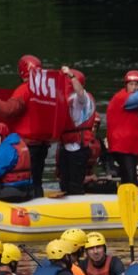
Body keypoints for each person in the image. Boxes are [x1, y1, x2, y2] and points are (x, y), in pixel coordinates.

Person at [0, 55, 52, 199]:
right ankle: (39, 199)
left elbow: (8, 111)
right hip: (42, 144)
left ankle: (26, 203)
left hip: (28, 146)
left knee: (27, 180)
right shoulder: (46, 90)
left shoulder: (24, 89)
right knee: (37, 181)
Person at [55, 68, 97, 196]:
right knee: (64, 183)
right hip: (66, 145)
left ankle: (77, 198)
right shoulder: (65, 97)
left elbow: (80, 92)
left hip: (78, 147)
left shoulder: (81, 98)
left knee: (75, 185)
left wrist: (71, 76)